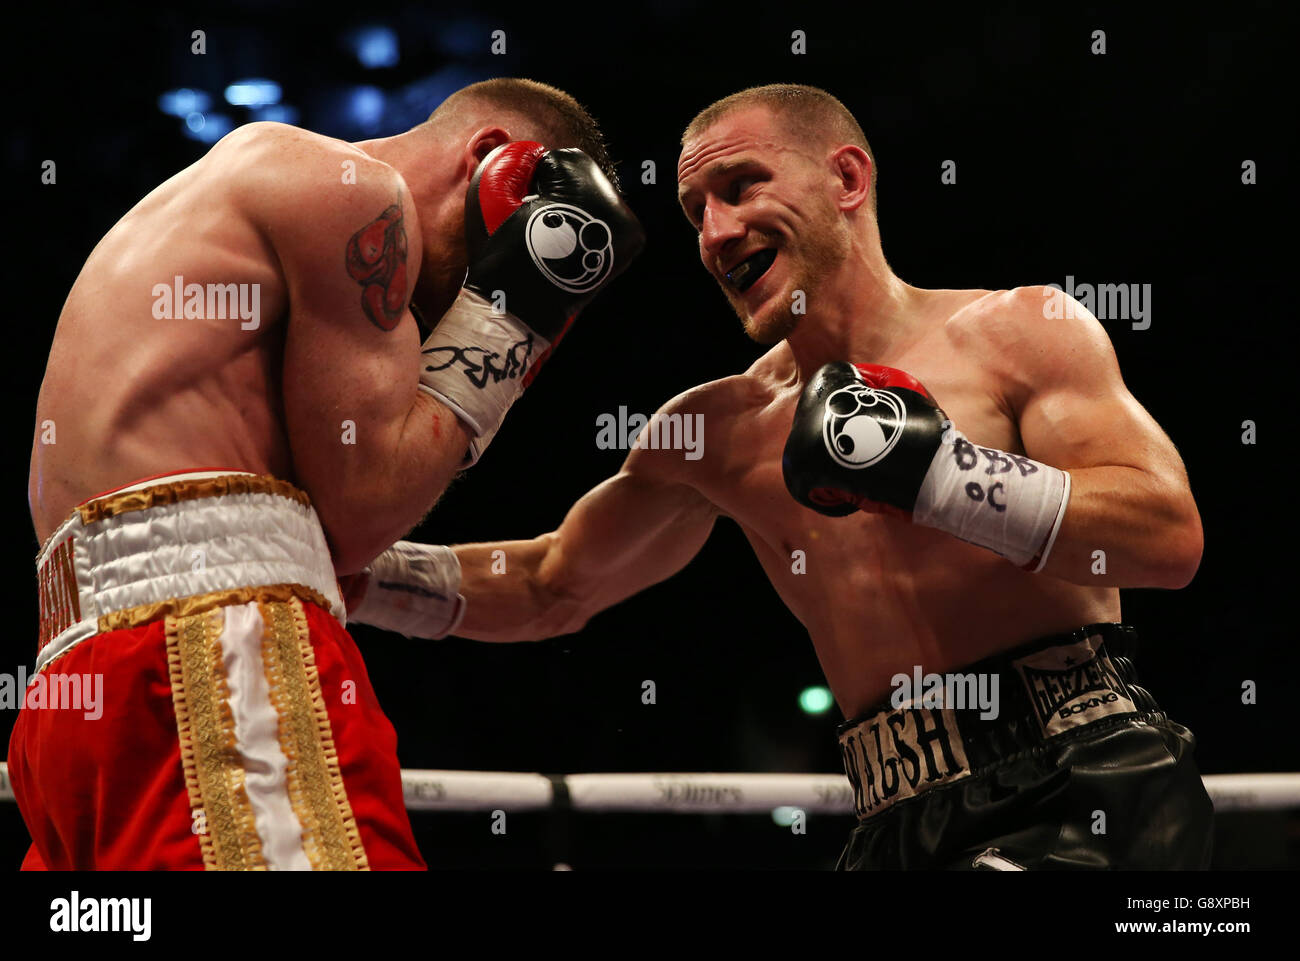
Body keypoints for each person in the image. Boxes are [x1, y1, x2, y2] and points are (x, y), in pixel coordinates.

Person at [348, 83, 1213, 869]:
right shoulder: (711, 433)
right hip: (896, 814)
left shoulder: (1020, 331)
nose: (717, 232)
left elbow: (1167, 539)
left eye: (741, 187)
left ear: (846, 178)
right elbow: (549, 584)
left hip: (1088, 778)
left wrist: (937, 474)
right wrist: (351, 576)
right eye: (694, 211)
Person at [14, 77, 643, 870]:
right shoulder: (356, 194)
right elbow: (365, 508)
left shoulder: (238, 188)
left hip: (76, 687)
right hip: (211, 654)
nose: (454, 299)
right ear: (496, 162)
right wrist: (513, 314)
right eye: (501, 248)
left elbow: (345, 547)